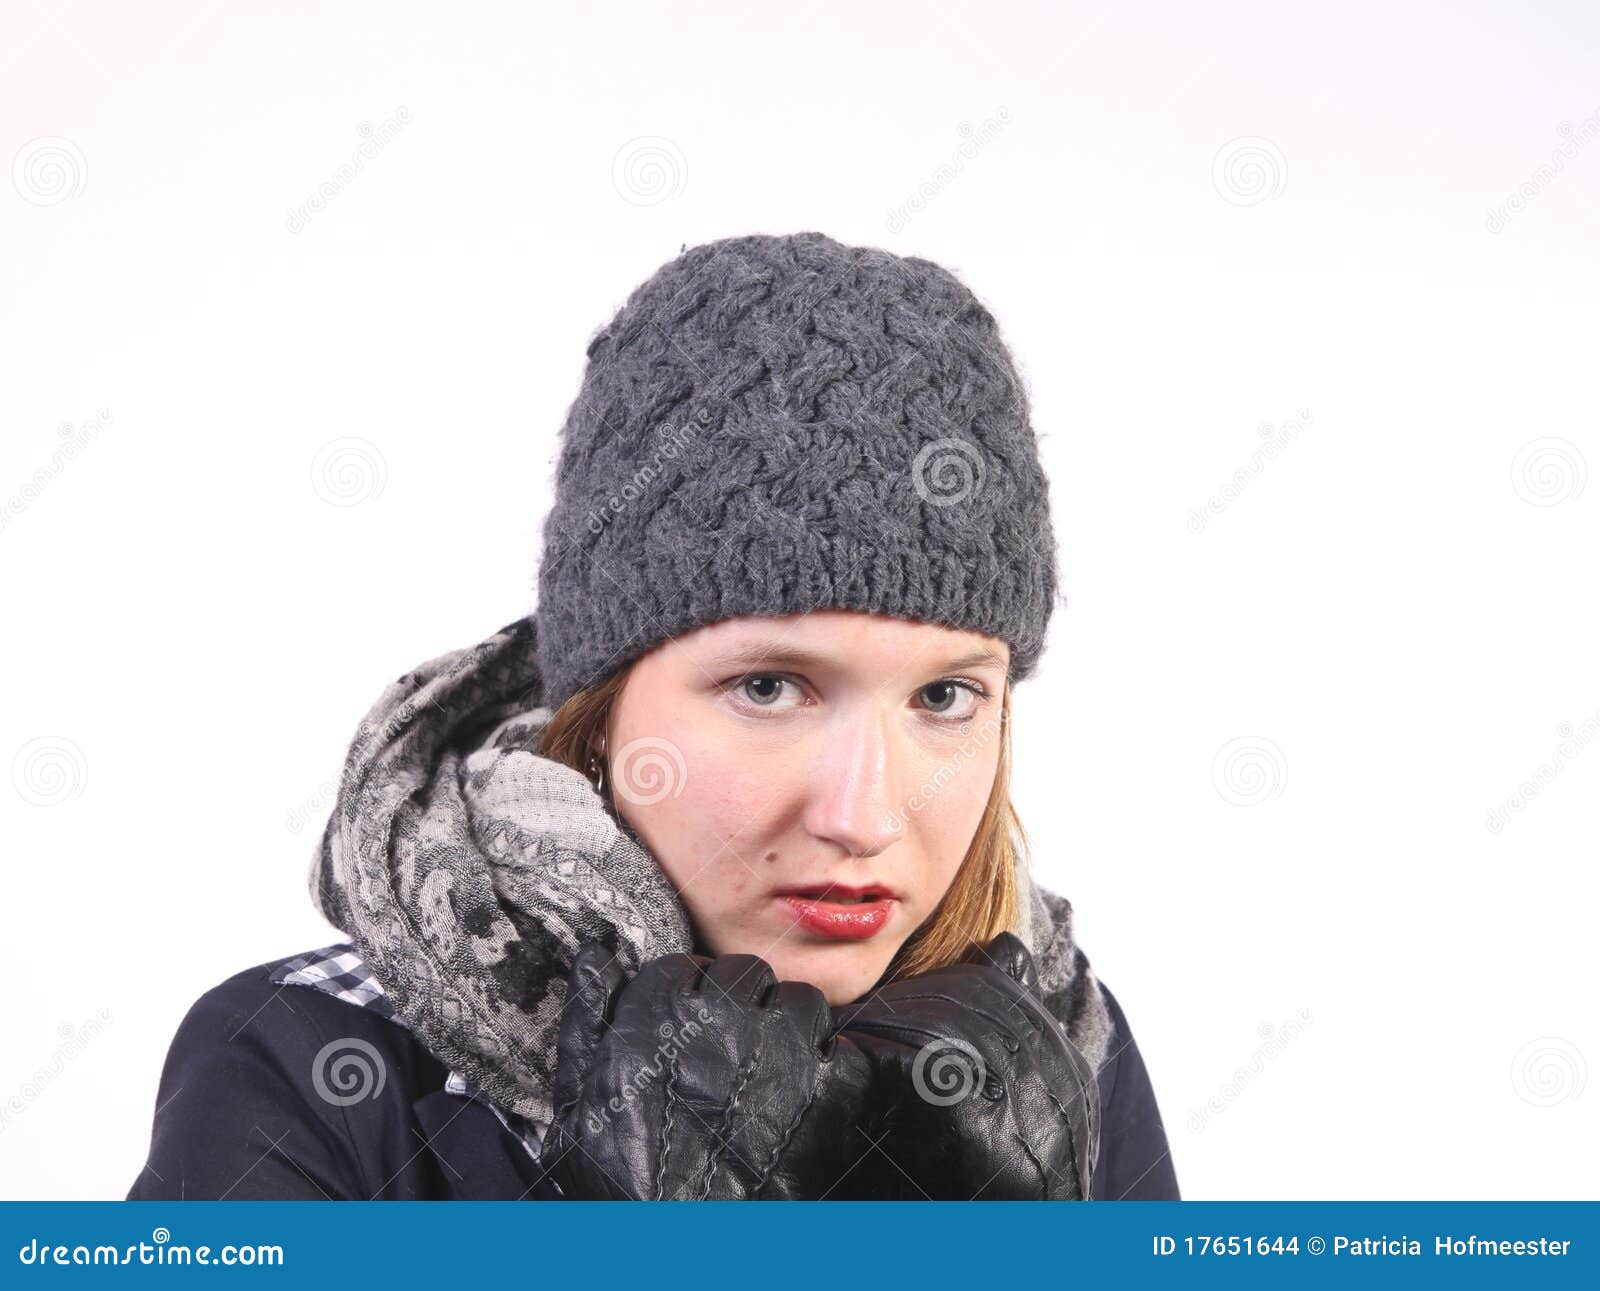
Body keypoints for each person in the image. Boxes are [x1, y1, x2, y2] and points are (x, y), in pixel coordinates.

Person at [126, 231, 1179, 1201]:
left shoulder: (1052, 1045)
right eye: (768, 687)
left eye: (945, 696)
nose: (862, 816)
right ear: (602, 708)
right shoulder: (310, 1063)